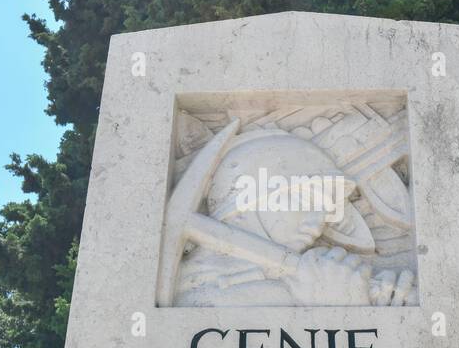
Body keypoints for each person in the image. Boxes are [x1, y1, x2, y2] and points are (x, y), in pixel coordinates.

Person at [174, 130, 417, 306]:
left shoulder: (302, 272)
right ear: (250, 200)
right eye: (309, 201)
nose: (319, 224)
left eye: (326, 211)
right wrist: (335, 300)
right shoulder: (194, 292)